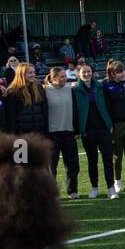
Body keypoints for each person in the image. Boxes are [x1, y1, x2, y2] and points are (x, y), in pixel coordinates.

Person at [71, 63, 114, 200]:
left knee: (107, 158)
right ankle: (94, 187)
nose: (86, 74)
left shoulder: (100, 87)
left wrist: (110, 123)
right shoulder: (75, 90)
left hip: (103, 128)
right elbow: (75, 111)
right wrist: (78, 129)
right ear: (78, 74)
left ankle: (111, 188)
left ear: (92, 72)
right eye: (83, 72)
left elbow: (108, 105)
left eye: (88, 71)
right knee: (92, 160)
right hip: (87, 131)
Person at [102, 61, 125, 195]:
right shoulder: (105, 85)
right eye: (119, 72)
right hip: (115, 125)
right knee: (117, 156)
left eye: (123, 71)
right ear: (112, 74)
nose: (123, 74)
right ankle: (117, 181)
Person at [43, 67, 80, 200]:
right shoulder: (45, 91)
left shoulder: (71, 90)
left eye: (65, 76)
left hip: (68, 132)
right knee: (51, 166)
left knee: (72, 164)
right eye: (62, 76)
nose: (65, 78)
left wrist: (76, 129)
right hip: (52, 134)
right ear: (54, 78)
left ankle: (73, 190)